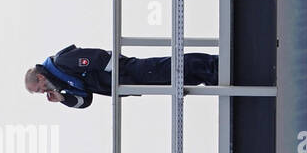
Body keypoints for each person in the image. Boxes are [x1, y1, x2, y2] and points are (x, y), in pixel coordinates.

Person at [25, 44, 219, 110]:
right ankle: (210, 77)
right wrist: (63, 98)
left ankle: (213, 67)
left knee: (167, 68)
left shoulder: (61, 62)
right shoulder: (62, 84)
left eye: (40, 88)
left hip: (128, 72)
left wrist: (122, 75)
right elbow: (85, 100)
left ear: (40, 78)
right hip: (127, 83)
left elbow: (99, 58)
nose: (44, 92)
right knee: (173, 79)